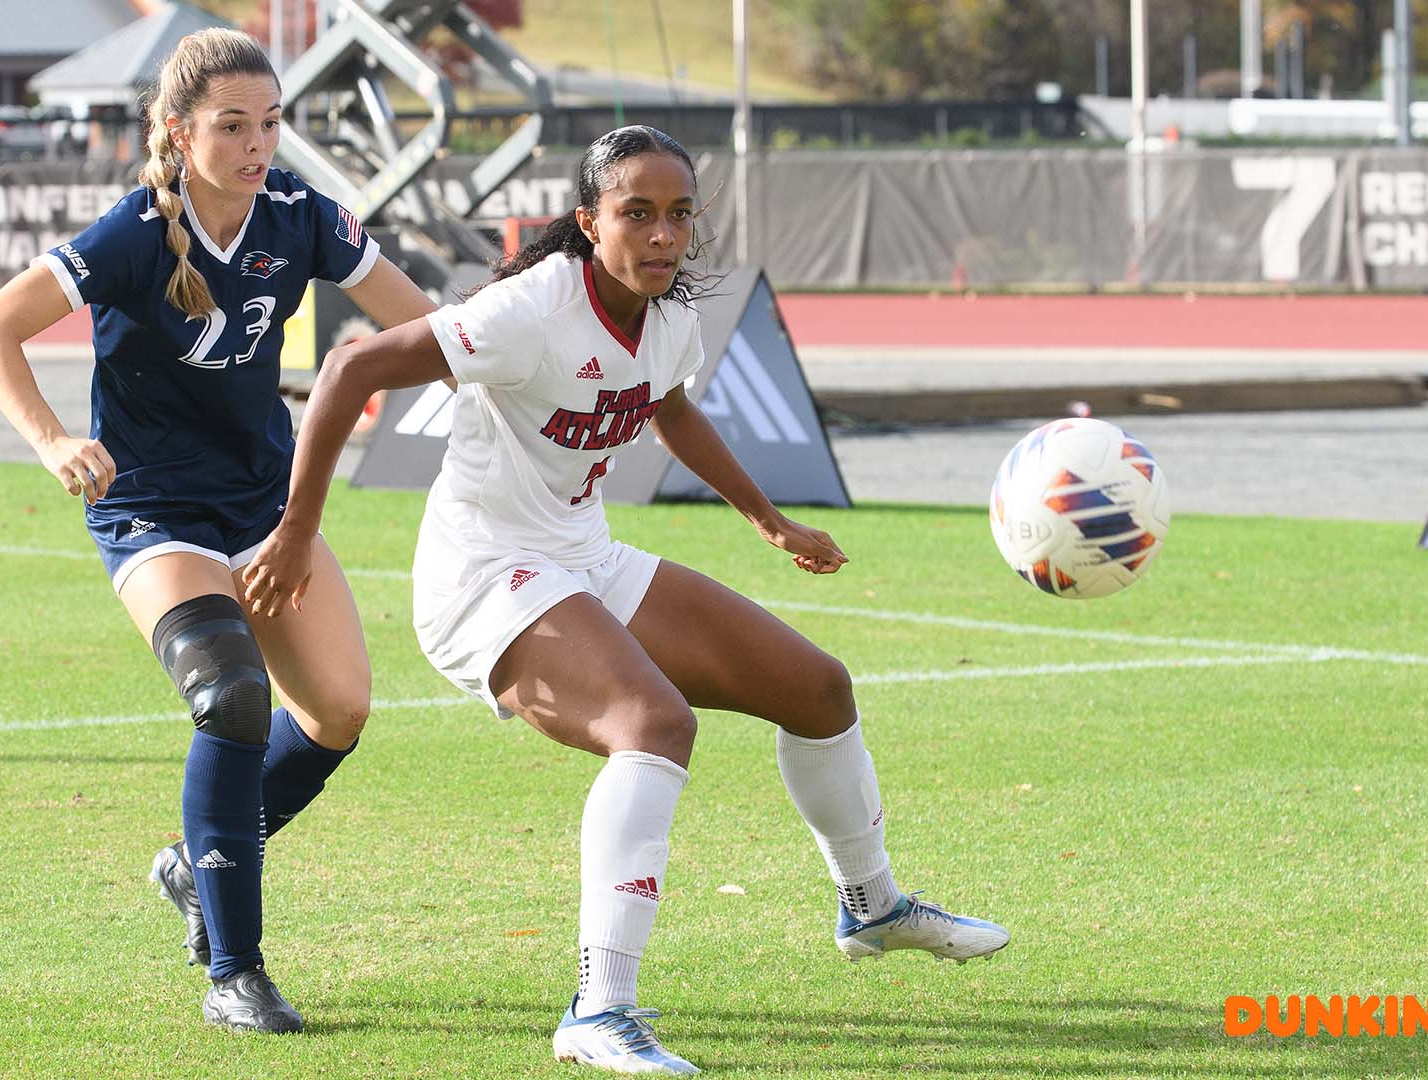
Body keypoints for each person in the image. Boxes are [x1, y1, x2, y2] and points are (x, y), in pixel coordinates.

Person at [240, 124, 1009, 1074]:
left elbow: (668, 404)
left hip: (582, 555)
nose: (660, 235)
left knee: (819, 688)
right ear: (588, 222)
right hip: (485, 576)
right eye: (635, 214)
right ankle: (598, 1010)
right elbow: (353, 367)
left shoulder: (672, 315)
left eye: (678, 214)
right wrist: (296, 533)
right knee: (655, 722)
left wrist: (769, 521)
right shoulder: (531, 309)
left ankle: (872, 905)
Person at [0, 28, 435, 1034]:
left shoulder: (305, 220)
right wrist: (52, 440)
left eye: (271, 124)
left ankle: (192, 864)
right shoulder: (133, 231)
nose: (259, 144)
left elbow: (421, 328)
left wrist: (469, 374)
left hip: (264, 512)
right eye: (233, 126)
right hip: (155, 512)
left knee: (339, 713)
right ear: (177, 133)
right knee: (230, 696)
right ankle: (235, 972)